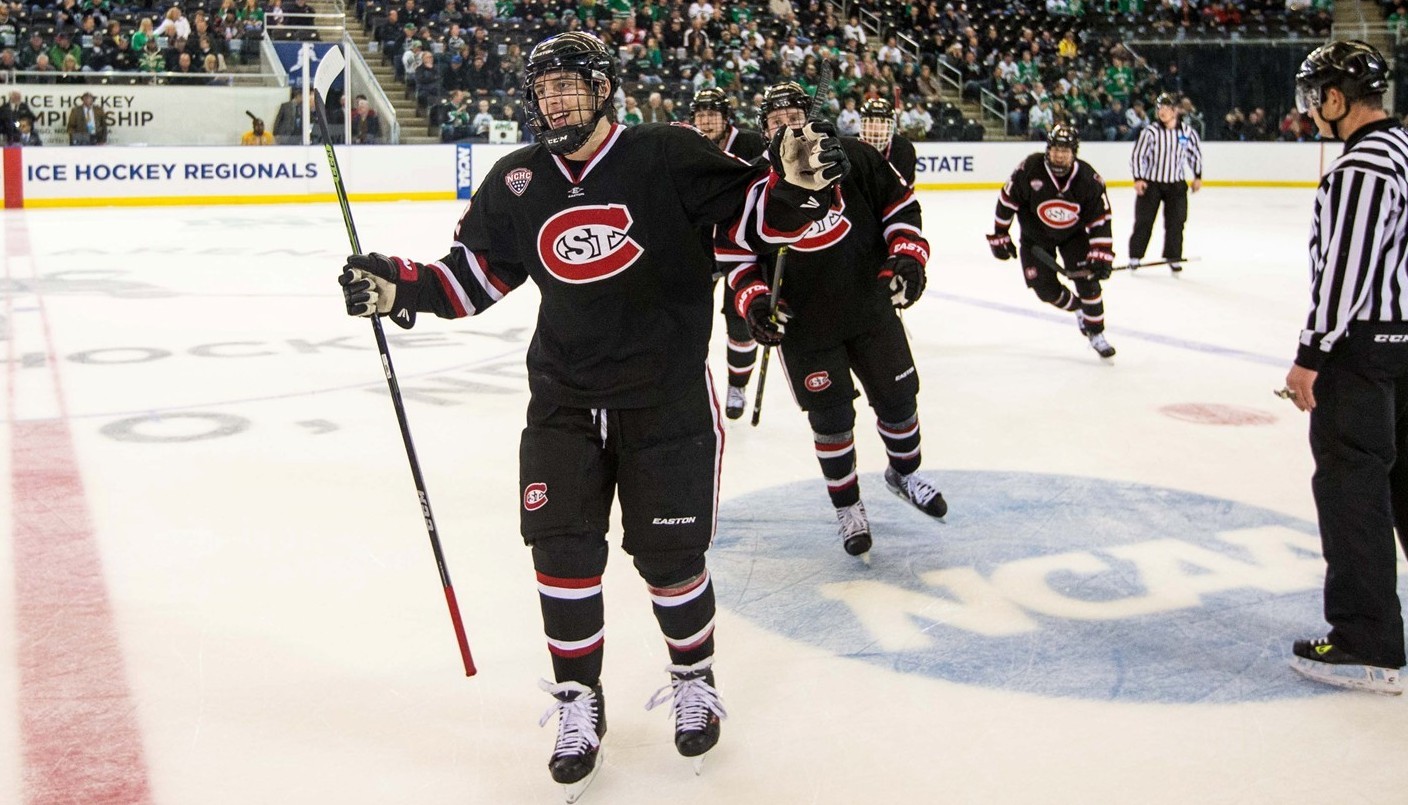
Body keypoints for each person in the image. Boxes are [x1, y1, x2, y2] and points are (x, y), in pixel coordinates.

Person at [336, 31, 847, 796]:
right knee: (562, 554)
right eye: (545, 91)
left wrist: (802, 189)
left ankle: (693, 677)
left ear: (604, 89)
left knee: (670, 558)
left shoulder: (666, 155)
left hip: (664, 398)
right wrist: (397, 287)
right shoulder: (518, 181)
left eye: (571, 86)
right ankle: (580, 698)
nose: (556, 102)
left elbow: (753, 220)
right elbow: (473, 276)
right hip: (564, 403)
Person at [722, 81, 943, 563]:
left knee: (899, 401)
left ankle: (904, 474)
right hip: (805, 328)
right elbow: (735, 256)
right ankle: (848, 507)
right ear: (765, 130)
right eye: (776, 121)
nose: (787, 127)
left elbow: (901, 207)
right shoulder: (750, 184)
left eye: (794, 116)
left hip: (870, 307)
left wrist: (907, 257)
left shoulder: (855, 157)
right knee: (831, 420)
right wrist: (757, 303)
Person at [1282, 40, 1407, 696]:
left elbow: (1346, 274)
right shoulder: (1406, 152)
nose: (1310, 111)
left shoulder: (1360, 168)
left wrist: (1310, 356)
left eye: (1315, 97)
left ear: (1335, 98)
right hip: (1405, 342)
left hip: (1361, 352)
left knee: (1352, 483)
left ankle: (1366, 639)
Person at [986, 122, 1117, 359]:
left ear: (1074, 153)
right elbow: (1007, 201)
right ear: (1048, 149)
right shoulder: (1030, 169)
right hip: (1036, 239)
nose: (1059, 155)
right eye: (1055, 149)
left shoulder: (1088, 179)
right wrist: (1000, 234)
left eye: (1065, 151)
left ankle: (1096, 333)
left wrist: (1101, 252)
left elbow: (1100, 219)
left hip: (1073, 236)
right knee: (1044, 290)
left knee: (1088, 283)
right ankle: (1077, 307)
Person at [690, 87, 769, 419]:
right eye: (700, 115)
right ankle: (688, 382)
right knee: (689, 319)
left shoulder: (751, 143)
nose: (706, 121)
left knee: (740, 320)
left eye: (712, 114)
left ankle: (737, 384)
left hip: (741, 247)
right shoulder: (687, 144)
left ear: (726, 118)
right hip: (699, 250)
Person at [1128, 92, 1202, 273]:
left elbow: (1194, 154)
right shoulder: (1150, 132)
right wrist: (1138, 178)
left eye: (1167, 108)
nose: (1162, 111)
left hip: (1175, 183)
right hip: (1152, 183)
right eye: (1160, 108)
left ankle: (1173, 256)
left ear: (1175, 111)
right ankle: (1135, 256)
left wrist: (1197, 176)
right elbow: (1138, 156)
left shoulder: (1187, 133)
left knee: (1176, 221)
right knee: (1144, 221)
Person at [858, 96, 916, 187]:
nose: (876, 128)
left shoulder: (904, 149)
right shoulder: (851, 147)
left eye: (882, 122)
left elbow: (904, 190)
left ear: (889, 126)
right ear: (862, 125)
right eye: (871, 122)